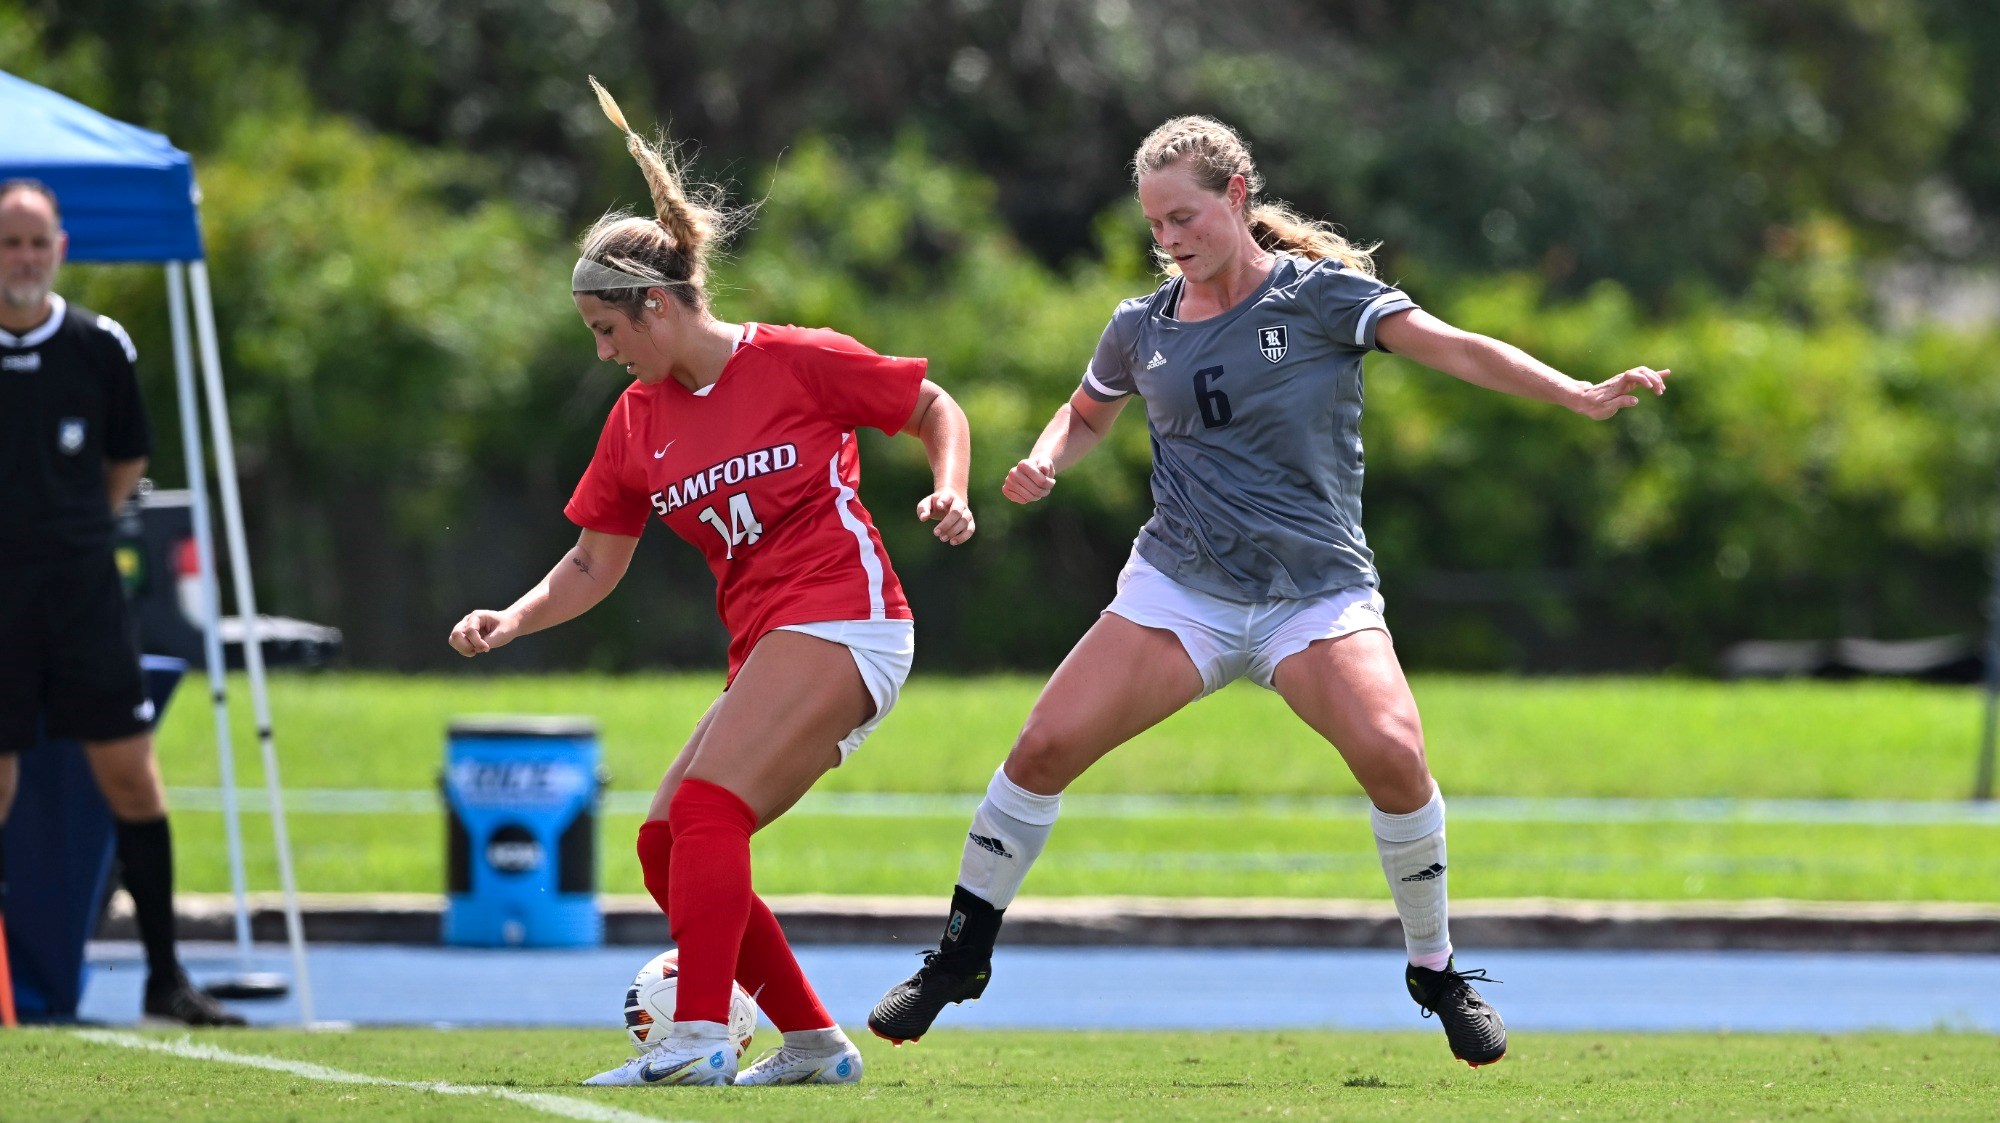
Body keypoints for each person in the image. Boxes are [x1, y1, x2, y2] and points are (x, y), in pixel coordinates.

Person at [868, 116, 1671, 1067]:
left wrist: (1576, 393)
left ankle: (1437, 971)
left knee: (1396, 757)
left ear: (1237, 196)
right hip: (1181, 589)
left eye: (1186, 217)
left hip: (1313, 595)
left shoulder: (1324, 296)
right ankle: (959, 959)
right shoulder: (1142, 327)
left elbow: (1454, 347)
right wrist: (1047, 460)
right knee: (1040, 749)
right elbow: (1086, 414)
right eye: (1155, 224)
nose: (1170, 240)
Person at [446, 79, 975, 1088]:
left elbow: (932, 405)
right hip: (773, 640)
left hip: (847, 616)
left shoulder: (789, 360)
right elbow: (595, 561)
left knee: (706, 812)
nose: (602, 352)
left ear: (654, 304)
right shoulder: (639, 418)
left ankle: (693, 1039)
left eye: (607, 329)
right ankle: (815, 1044)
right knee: (663, 841)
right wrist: (512, 619)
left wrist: (948, 488)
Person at [0, 179, 244, 1027]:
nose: (24, 258)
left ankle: (164, 976)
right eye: (9, 242)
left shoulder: (100, 346)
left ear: (61, 249)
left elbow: (125, 463)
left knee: (134, 780)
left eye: (37, 242)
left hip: (83, 596)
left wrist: (69, 535)